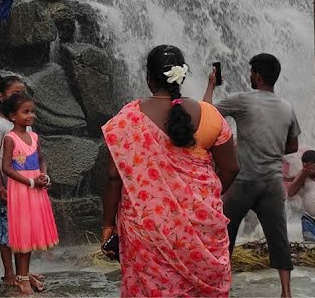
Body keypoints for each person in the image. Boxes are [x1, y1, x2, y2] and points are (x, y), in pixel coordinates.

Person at [102, 45, 238, 298]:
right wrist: (200, 201)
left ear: (148, 78)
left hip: (147, 228)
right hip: (201, 228)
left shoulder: (126, 119)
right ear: (183, 75)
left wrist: (108, 226)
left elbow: (113, 176)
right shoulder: (210, 115)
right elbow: (231, 169)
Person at [203, 53, 300, 298]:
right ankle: (286, 293)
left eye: (251, 72)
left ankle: (219, 286)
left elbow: (206, 116)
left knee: (223, 233)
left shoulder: (243, 100)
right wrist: (271, 146)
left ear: (256, 75)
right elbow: (293, 147)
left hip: (244, 182)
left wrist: (211, 85)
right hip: (272, 182)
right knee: (279, 238)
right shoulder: (287, 107)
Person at [0, 92, 59, 294]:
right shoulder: (10, 138)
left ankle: (23, 275)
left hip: (36, 189)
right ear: (12, 116)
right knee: (23, 233)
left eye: (32, 111)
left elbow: (41, 159)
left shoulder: (34, 136)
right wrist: (30, 181)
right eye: (25, 112)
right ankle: (22, 279)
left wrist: (44, 175)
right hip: (21, 189)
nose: (31, 115)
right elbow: (6, 167)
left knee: (31, 231)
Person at [0, 75, 28, 289]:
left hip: (24, 187)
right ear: (1, 97)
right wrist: (0, 186)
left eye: (23, 92)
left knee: (23, 229)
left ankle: (23, 273)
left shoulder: (23, 122)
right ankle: (9, 272)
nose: (20, 97)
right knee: (6, 230)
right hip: (7, 188)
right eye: (15, 93)